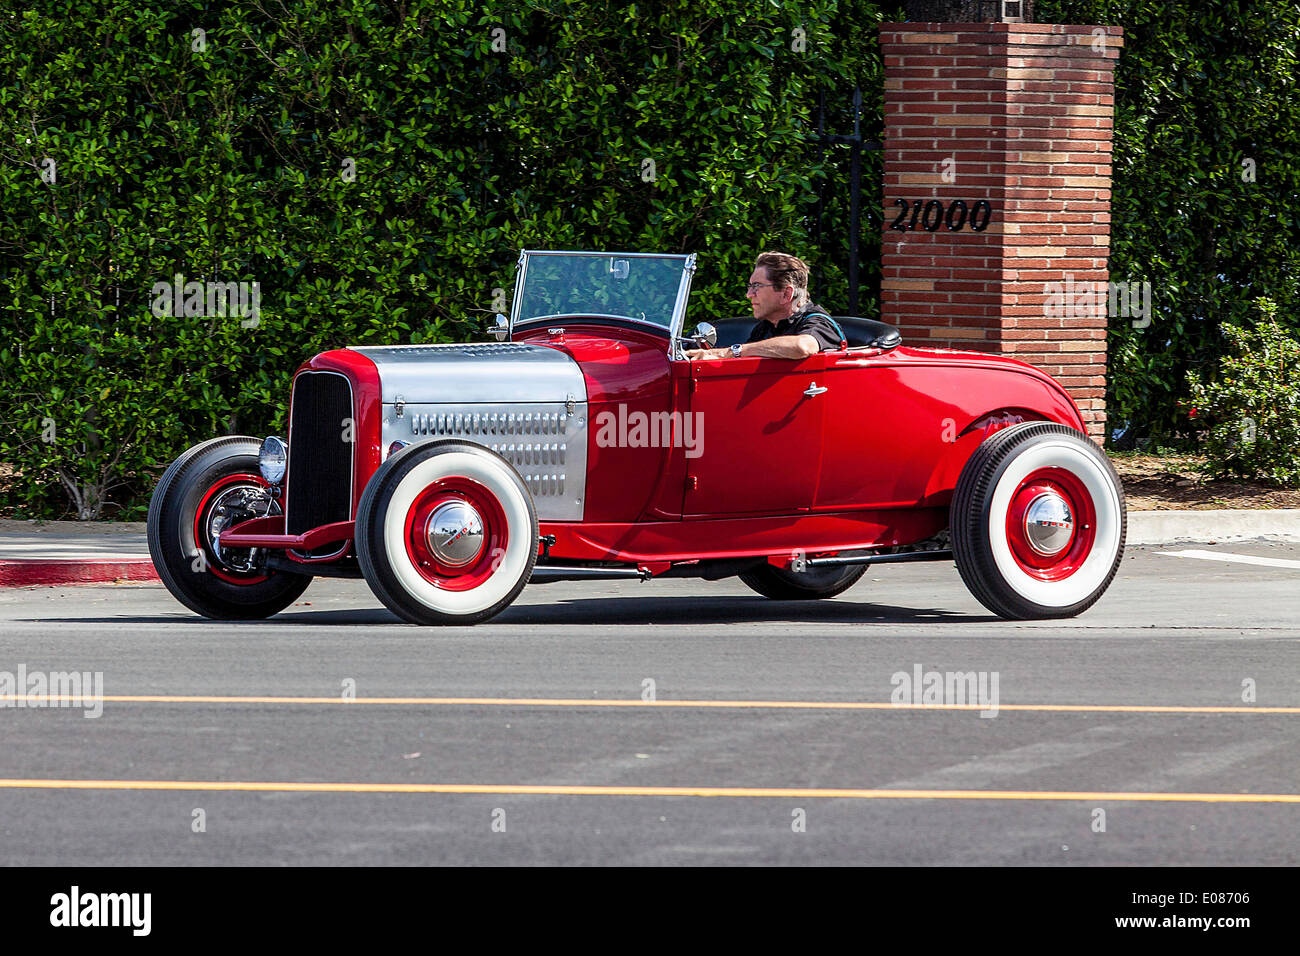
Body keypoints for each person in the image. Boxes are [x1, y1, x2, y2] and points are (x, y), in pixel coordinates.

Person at [686, 251, 845, 360]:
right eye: (750, 286)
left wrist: (731, 352)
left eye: (757, 286)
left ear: (786, 294)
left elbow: (803, 346)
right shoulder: (765, 328)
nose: (749, 295)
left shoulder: (819, 323)